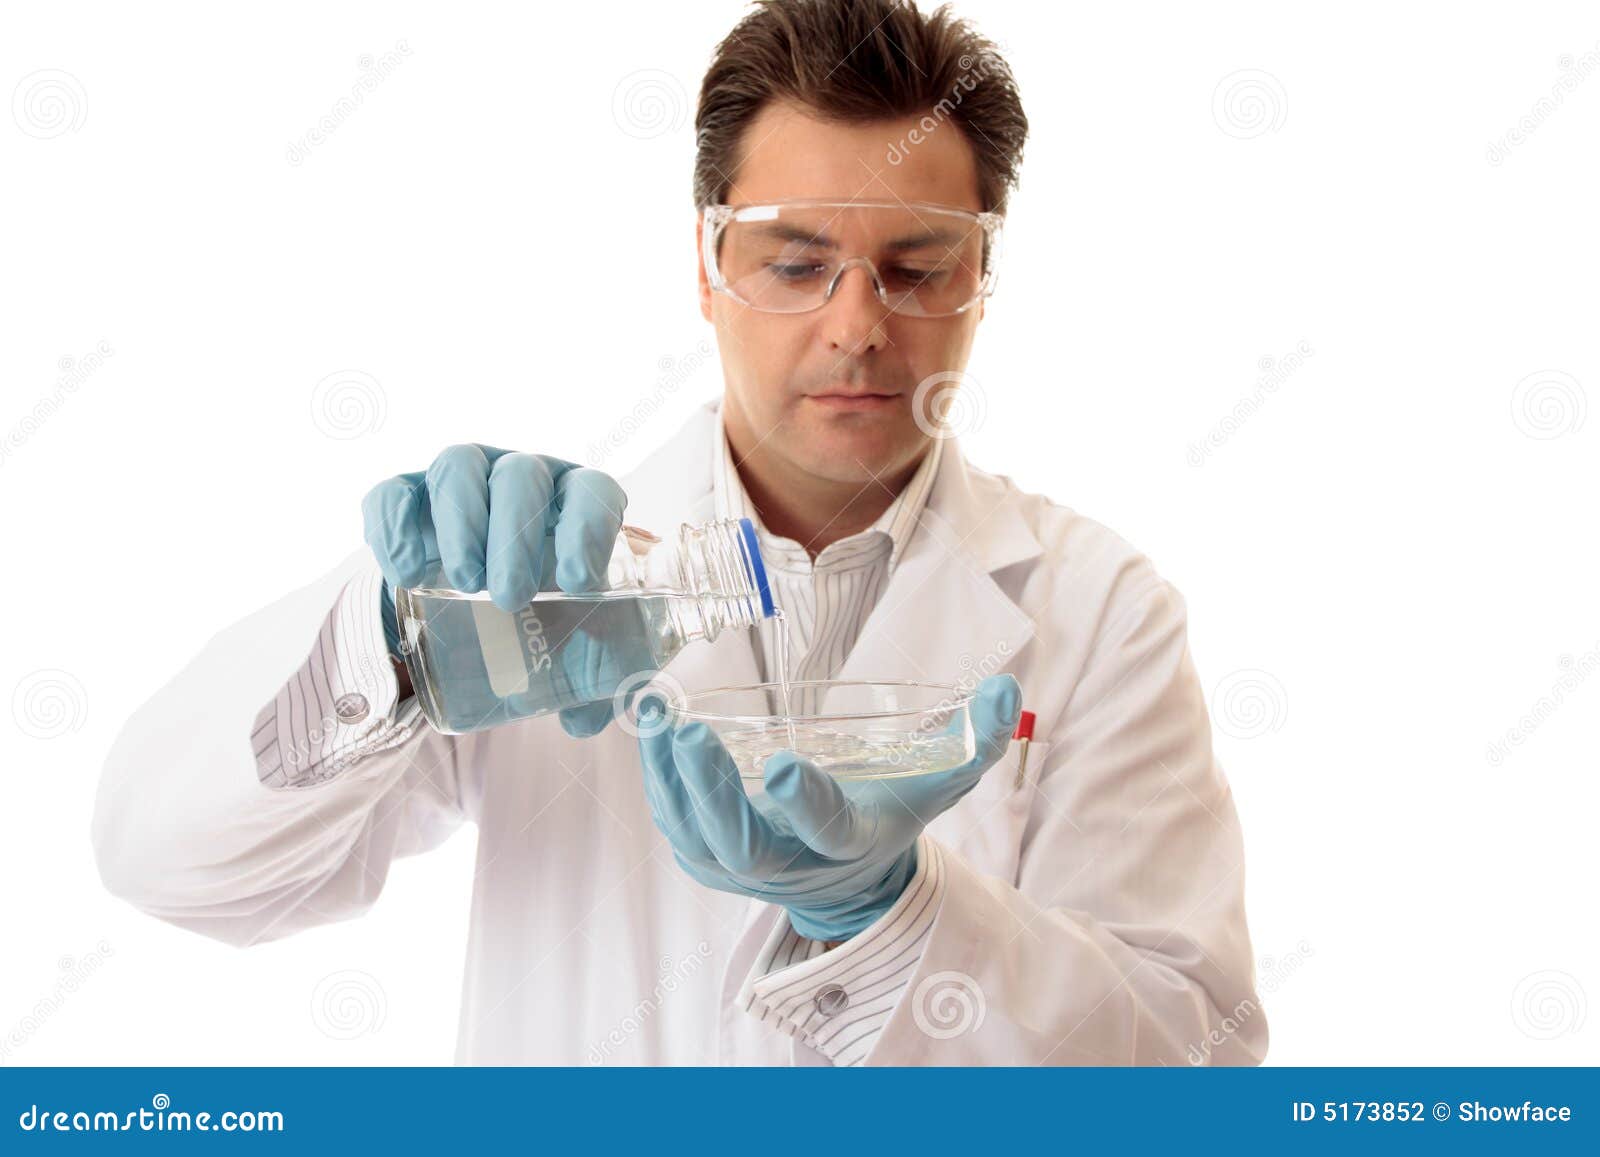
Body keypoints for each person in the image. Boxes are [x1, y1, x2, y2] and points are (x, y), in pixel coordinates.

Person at [92, 0, 1267, 1066]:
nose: (856, 325)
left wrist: (900, 912)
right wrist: (390, 642)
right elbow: (167, 865)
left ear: (982, 276)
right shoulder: (527, 576)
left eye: (917, 267)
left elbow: (1194, 1058)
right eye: (795, 262)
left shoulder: (1097, 610)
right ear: (708, 269)